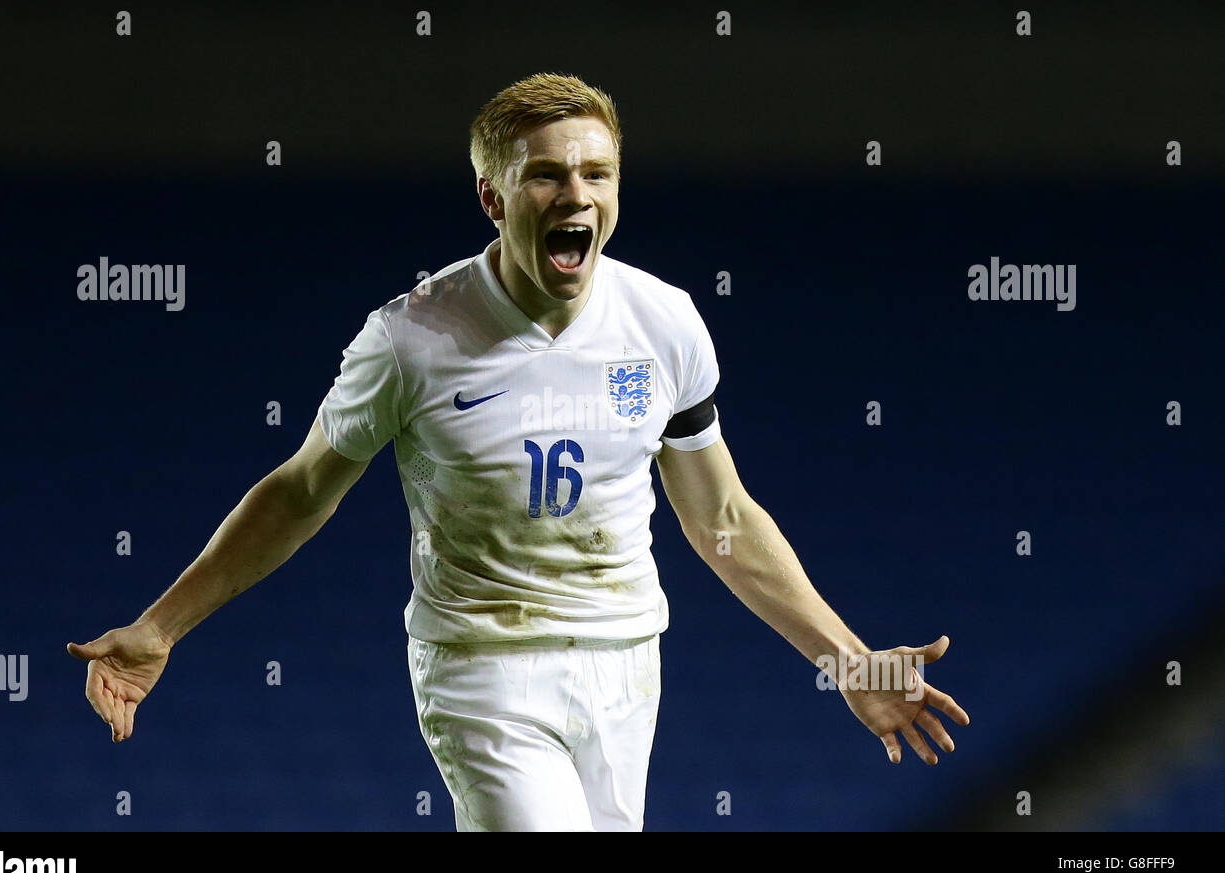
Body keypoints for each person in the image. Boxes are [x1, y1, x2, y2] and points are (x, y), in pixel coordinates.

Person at [68, 72, 970, 832]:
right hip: (481, 663)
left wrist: (848, 658)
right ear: (494, 198)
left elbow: (722, 517)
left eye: (596, 173)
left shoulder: (665, 325)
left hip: (626, 660)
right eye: (546, 176)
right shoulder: (409, 340)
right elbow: (301, 491)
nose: (575, 194)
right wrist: (160, 626)